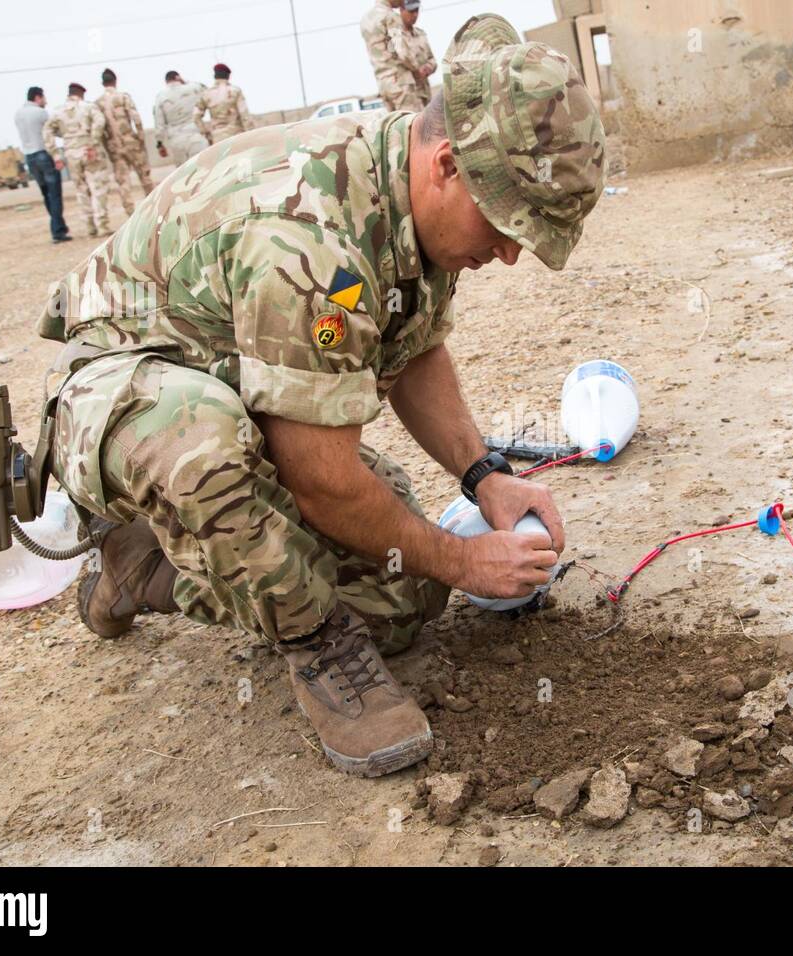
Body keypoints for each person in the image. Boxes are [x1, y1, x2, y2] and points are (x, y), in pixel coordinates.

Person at [37, 15, 606, 778]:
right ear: (446, 165)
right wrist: (467, 562)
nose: (508, 254)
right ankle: (319, 653)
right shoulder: (307, 235)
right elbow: (320, 478)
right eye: (507, 225)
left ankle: (142, 571)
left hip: (236, 384)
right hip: (128, 385)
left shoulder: (410, 200)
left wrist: (486, 476)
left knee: (404, 594)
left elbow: (420, 347)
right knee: (209, 453)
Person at [43, 82, 115, 237]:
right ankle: (102, 225)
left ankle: (90, 227)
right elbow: (100, 122)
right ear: (81, 93)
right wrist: (93, 143)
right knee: (98, 188)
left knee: (81, 190)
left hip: (71, 153)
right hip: (89, 150)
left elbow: (47, 131)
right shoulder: (88, 107)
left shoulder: (57, 111)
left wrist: (56, 154)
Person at [15, 88, 70, 243]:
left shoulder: (18, 114)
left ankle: (58, 225)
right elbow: (52, 134)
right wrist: (57, 157)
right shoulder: (40, 113)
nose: (45, 101)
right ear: (38, 97)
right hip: (44, 154)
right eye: (44, 97)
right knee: (55, 194)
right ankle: (58, 231)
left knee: (46, 194)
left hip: (29, 156)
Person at [97, 68, 154, 215]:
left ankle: (131, 213)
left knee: (123, 182)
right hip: (131, 142)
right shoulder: (123, 97)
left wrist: (108, 148)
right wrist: (141, 138)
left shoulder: (99, 103)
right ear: (115, 81)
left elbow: (100, 129)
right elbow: (136, 118)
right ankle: (155, 209)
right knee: (144, 176)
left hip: (115, 148)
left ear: (102, 83)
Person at [360, 0, 415, 111]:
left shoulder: (365, 19)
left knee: (393, 125)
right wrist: (416, 70)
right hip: (400, 82)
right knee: (411, 123)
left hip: (383, 84)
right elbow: (402, 52)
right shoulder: (390, 16)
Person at [152, 71, 209, 164]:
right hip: (196, 134)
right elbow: (205, 89)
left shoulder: (160, 96)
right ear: (177, 77)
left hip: (176, 140)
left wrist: (160, 144)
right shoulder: (192, 88)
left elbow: (159, 124)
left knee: (184, 175)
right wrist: (185, 81)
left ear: (166, 81)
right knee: (204, 167)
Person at [193, 63, 252, 145]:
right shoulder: (235, 91)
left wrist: (206, 134)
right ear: (228, 76)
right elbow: (245, 115)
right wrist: (251, 134)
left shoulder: (206, 94)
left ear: (215, 76)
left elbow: (196, 117)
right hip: (236, 134)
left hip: (218, 138)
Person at [395, 0, 437, 108]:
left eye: (417, 11)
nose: (415, 15)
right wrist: (416, 70)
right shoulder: (394, 35)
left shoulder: (421, 34)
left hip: (425, 93)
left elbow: (432, 59)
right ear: (401, 9)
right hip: (407, 96)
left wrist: (428, 67)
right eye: (411, 11)